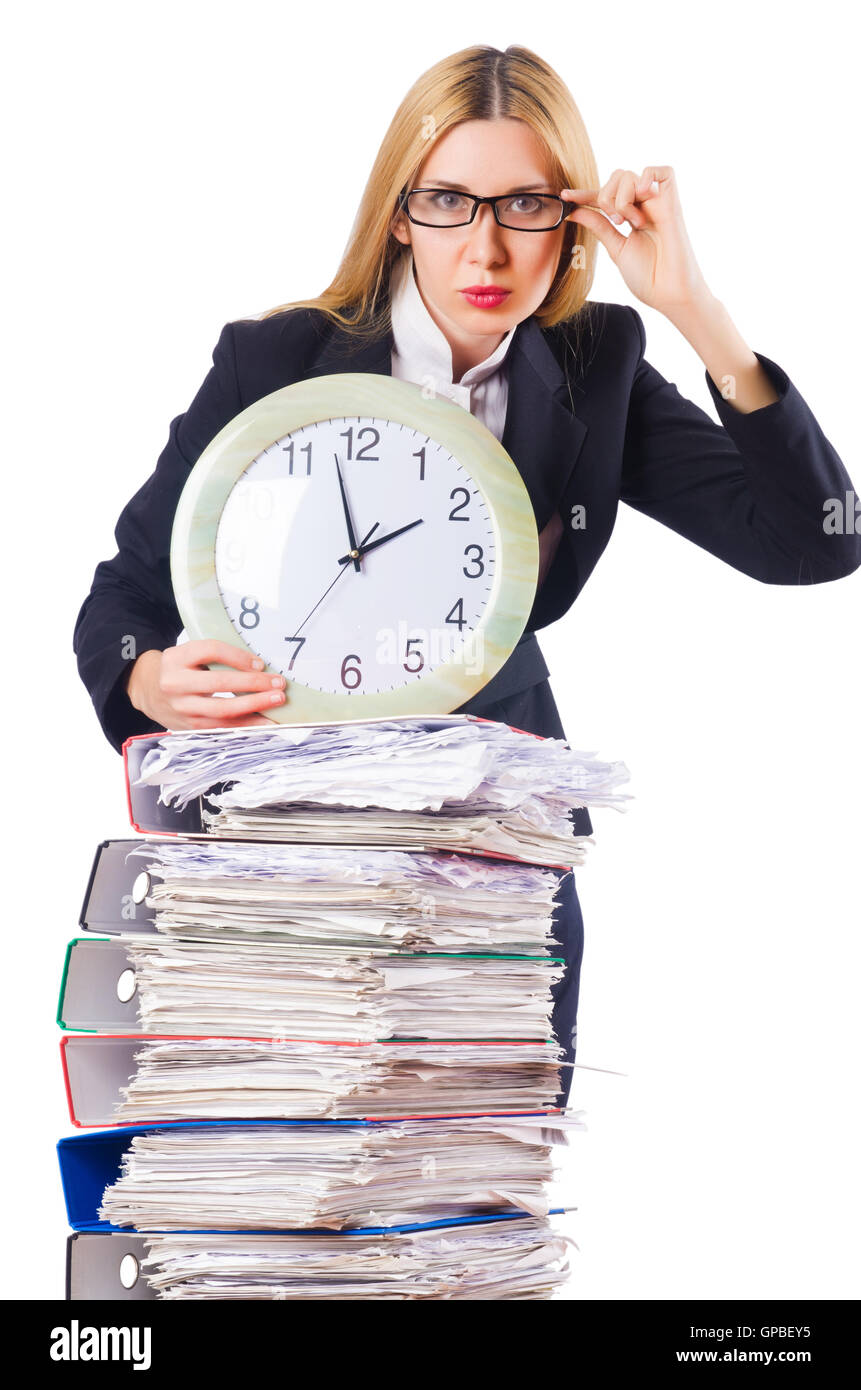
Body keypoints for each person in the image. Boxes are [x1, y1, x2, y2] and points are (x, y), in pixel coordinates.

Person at [73, 44, 861, 1109]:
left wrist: (701, 316)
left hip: (493, 835)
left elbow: (812, 538)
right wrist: (152, 682)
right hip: (285, 833)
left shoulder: (597, 363)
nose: (487, 245)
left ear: (571, 217)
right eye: (449, 200)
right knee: (284, 1172)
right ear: (401, 212)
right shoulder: (277, 362)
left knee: (471, 1174)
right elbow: (123, 601)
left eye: (526, 203)